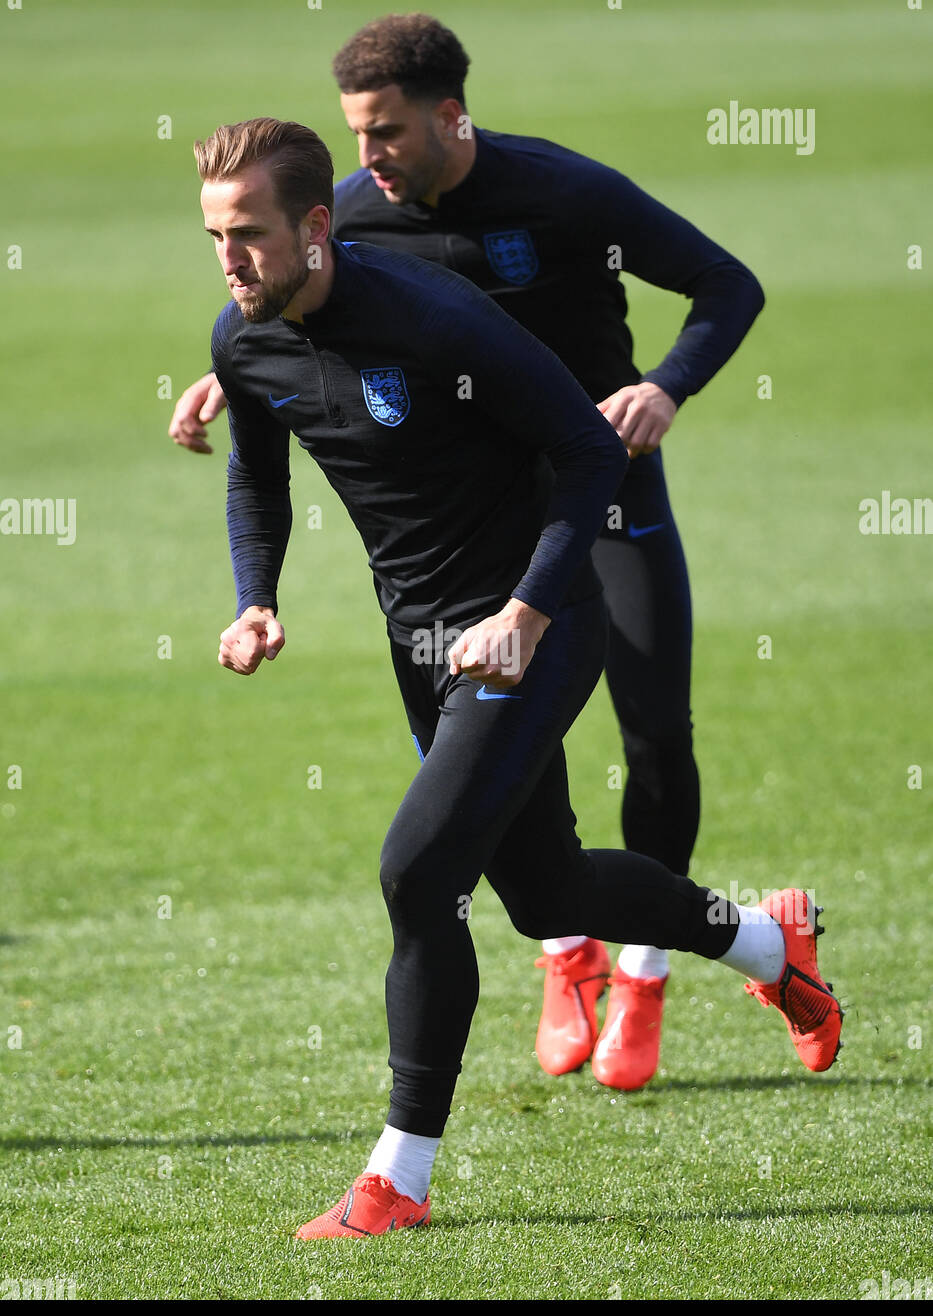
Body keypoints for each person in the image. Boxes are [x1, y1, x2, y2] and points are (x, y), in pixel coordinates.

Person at [192, 116, 841, 1239]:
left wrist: (527, 610)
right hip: (422, 648)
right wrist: (258, 594)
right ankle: (774, 948)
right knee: (544, 895)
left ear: (313, 226)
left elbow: (591, 453)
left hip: (535, 630)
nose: (230, 259)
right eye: (213, 236)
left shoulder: (436, 319)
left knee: (415, 873)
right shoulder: (243, 343)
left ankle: (399, 1177)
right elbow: (255, 476)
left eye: (248, 234)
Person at [171, 14, 765, 1093]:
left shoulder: (568, 195)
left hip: (600, 490)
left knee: (655, 732)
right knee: (526, 858)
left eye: (387, 131)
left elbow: (730, 285)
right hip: (473, 540)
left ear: (451, 115)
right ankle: (567, 943)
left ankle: (645, 972)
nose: (369, 159)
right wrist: (235, 371)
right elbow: (281, 287)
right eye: (355, 135)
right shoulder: (346, 212)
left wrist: (665, 385)